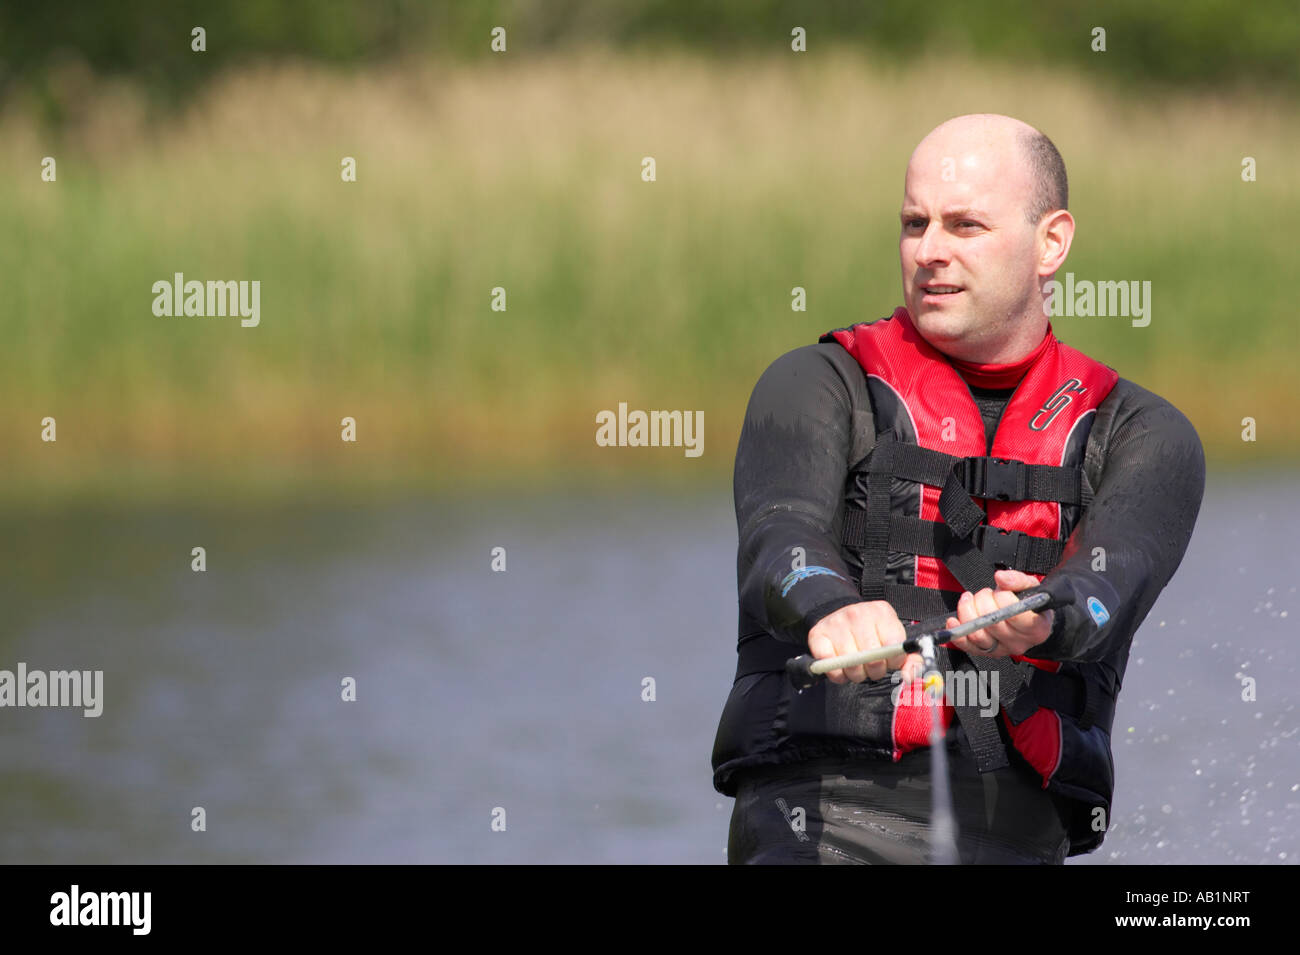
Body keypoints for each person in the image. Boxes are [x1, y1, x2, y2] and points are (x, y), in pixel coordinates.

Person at [710, 113, 1205, 864]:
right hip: (821, 819)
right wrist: (831, 606)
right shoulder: (815, 384)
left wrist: (1044, 614)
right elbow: (780, 534)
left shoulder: (1143, 434)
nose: (930, 251)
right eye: (915, 224)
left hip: (1015, 830)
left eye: (965, 225)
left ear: (1052, 242)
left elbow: (1117, 574)